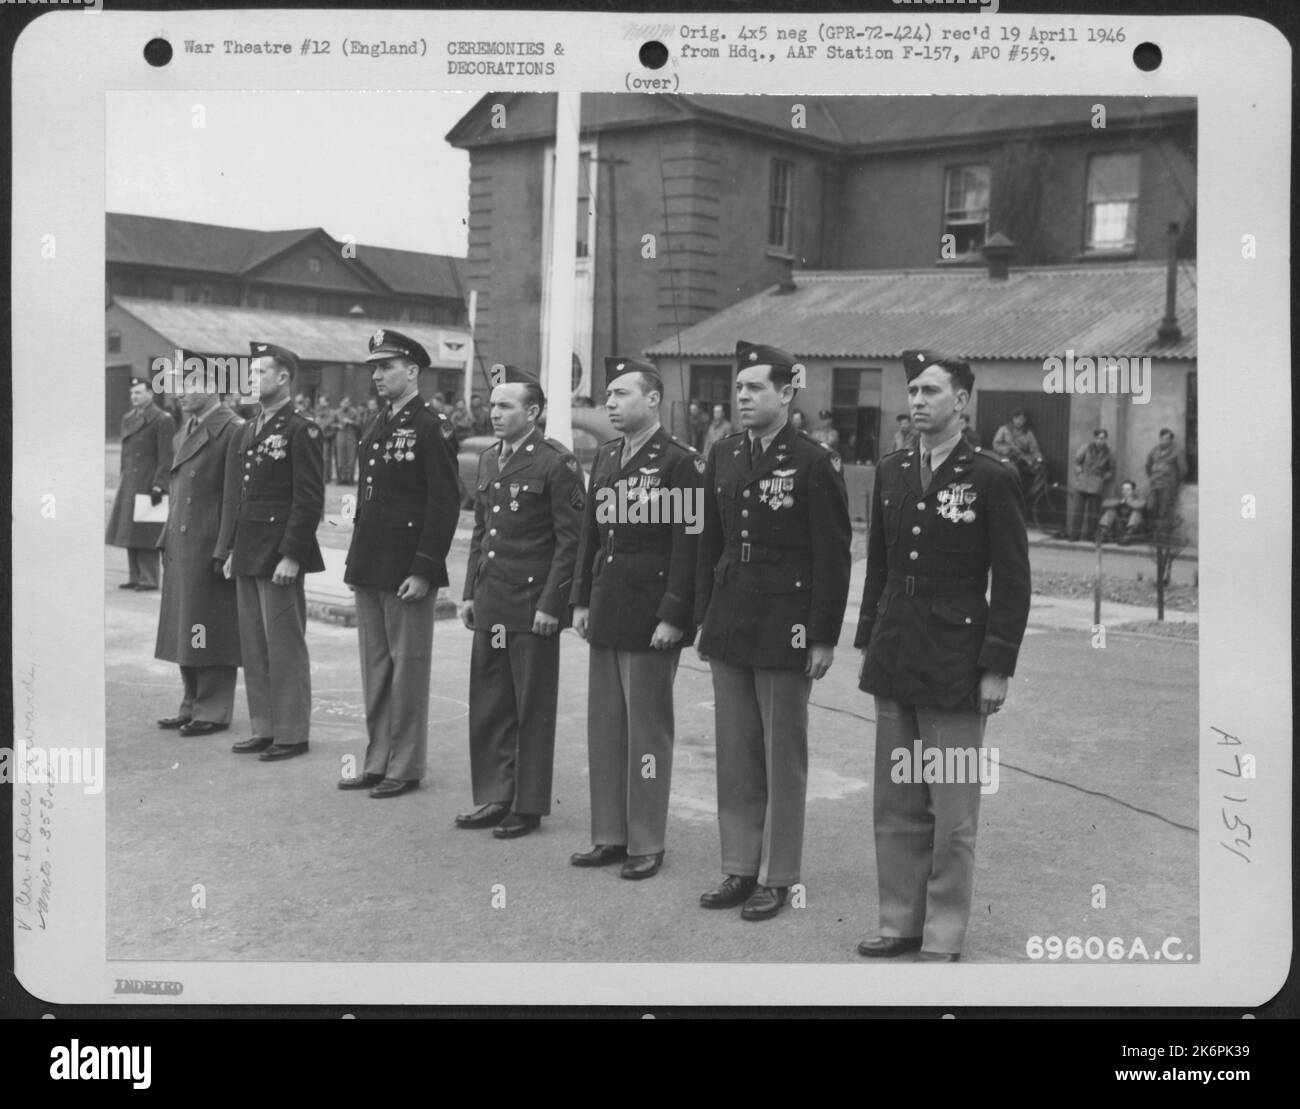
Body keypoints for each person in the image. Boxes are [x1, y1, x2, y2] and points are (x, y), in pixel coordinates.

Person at [854, 349, 1031, 962]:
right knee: (896, 800)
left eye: (932, 390)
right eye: (913, 390)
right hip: (897, 651)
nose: (918, 400)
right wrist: (868, 642)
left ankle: (944, 931)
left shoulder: (990, 475)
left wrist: (997, 666)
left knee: (951, 810)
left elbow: (1012, 582)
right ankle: (899, 921)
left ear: (962, 401)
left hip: (957, 660)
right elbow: (878, 565)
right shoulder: (894, 468)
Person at [694, 340, 852, 921]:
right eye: (739, 388)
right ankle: (739, 866)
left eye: (755, 387)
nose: (743, 397)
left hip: (786, 627)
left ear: (787, 393)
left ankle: (778, 875)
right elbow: (708, 541)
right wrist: (701, 615)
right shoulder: (725, 453)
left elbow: (834, 556)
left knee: (781, 756)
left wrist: (822, 635)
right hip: (731, 622)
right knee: (735, 753)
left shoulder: (814, 462)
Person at [569, 356, 703, 880]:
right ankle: (610, 834)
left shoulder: (679, 463)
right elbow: (592, 536)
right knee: (606, 729)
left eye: (623, 393)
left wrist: (675, 615)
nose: (611, 403)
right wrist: (580, 599)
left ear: (652, 400)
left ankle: (646, 840)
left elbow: (687, 545)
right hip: (607, 607)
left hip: (651, 616)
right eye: (609, 394)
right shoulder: (606, 458)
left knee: (646, 733)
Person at [456, 363, 584, 838]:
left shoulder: (556, 462)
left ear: (533, 411)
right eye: (492, 404)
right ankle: (494, 794)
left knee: (531, 706)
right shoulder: (490, 459)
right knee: (490, 702)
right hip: (492, 600)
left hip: (532, 606)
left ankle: (526, 805)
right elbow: (482, 532)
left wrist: (554, 605)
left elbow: (570, 542)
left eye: (505, 405)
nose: (494, 412)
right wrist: (470, 592)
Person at [339, 329, 462, 799]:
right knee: (376, 671)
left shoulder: (433, 425)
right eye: (374, 367)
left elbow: (444, 503)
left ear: (412, 371)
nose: (378, 374)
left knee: (407, 670)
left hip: (407, 567)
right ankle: (377, 760)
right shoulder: (379, 421)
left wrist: (424, 567)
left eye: (386, 366)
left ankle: (406, 766)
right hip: (370, 563)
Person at [218, 342, 325, 762]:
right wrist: (231, 549)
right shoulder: (248, 428)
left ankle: (292, 732)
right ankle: (264, 727)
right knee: (255, 647)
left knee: (284, 646)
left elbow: (309, 498)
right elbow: (243, 496)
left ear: (283, 378)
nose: (252, 379)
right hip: (249, 552)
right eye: (251, 372)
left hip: (280, 553)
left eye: (260, 371)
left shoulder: (302, 429)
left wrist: (293, 554)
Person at [154, 366, 245, 736]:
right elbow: (177, 495)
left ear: (215, 389)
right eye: (178, 386)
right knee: (185, 625)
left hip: (208, 543)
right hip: (181, 542)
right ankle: (190, 702)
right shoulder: (184, 431)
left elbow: (234, 497)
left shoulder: (232, 430)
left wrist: (225, 548)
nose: (180, 393)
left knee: (207, 626)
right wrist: (165, 536)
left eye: (190, 386)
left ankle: (212, 708)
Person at [107, 378, 173, 592]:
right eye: (132, 393)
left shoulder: (163, 419)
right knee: (129, 532)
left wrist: (159, 485)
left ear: (150, 394)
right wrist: (122, 478)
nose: (134, 396)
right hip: (130, 483)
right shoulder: (128, 418)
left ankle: (149, 579)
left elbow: (166, 455)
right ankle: (134, 576)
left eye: (138, 392)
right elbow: (126, 453)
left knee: (146, 533)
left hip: (148, 483)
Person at [1063, 428, 1113, 541]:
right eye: (1100, 438)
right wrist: (1079, 473)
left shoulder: (1108, 452)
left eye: (1104, 438)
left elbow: (1110, 469)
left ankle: (1089, 536)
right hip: (1084, 481)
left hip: (1096, 484)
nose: (1102, 441)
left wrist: (1103, 478)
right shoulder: (1086, 448)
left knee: (1093, 512)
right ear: (1095, 438)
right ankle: (1074, 535)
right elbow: (1077, 462)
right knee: (1078, 511)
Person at [992, 409, 1043, 497]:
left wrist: (1039, 458)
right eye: (1017, 418)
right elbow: (995, 445)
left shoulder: (1027, 433)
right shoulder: (1004, 429)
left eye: (1021, 419)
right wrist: (1007, 449)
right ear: (1013, 419)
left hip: (1020, 462)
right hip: (1004, 460)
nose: (1019, 421)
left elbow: (1034, 449)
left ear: (1025, 421)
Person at [1145, 427, 1184, 532]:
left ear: (1171, 440)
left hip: (1168, 485)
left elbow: (1182, 470)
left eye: (1166, 439)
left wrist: (1174, 482)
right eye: (1162, 438)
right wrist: (1152, 477)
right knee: (1151, 507)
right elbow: (1148, 465)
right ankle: (1153, 533)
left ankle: (1162, 536)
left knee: (1164, 511)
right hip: (1154, 484)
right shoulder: (1155, 450)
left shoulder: (1176, 452)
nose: (1163, 441)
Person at [1097, 480, 1146, 544]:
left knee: (1136, 513)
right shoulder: (1119, 499)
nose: (1125, 492)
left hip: (1134, 530)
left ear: (1133, 491)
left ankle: (1128, 536)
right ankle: (1102, 533)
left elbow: (1141, 505)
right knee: (1111, 511)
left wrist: (1128, 502)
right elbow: (1104, 503)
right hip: (1119, 526)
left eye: (1128, 490)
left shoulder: (1138, 499)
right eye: (1124, 489)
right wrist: (1119, 502)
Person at [335, 396, 361, 484]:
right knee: (340, 458)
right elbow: (331, 423)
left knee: (351, 457)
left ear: (350, 404)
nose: (345, 404)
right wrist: (337, 425)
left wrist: (350, 421)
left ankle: (350, 479)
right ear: (340, 403)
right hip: (341, 434)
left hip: (351, 434)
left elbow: (359, 423)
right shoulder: (337, 412)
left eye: (347, 402)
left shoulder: (354, 412)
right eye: (344, 402)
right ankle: (341, 479)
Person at [315, 396, 339, 483]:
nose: (321, 403)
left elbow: (336, 423)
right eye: (320, 401)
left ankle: (326, 477)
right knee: (322, 458)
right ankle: (322, 476)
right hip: (319, 437)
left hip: (329, 437)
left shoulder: (332, 413)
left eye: (322, 401)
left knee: (327, 458)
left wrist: (329, 425)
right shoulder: (317, 411)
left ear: (327, 402)